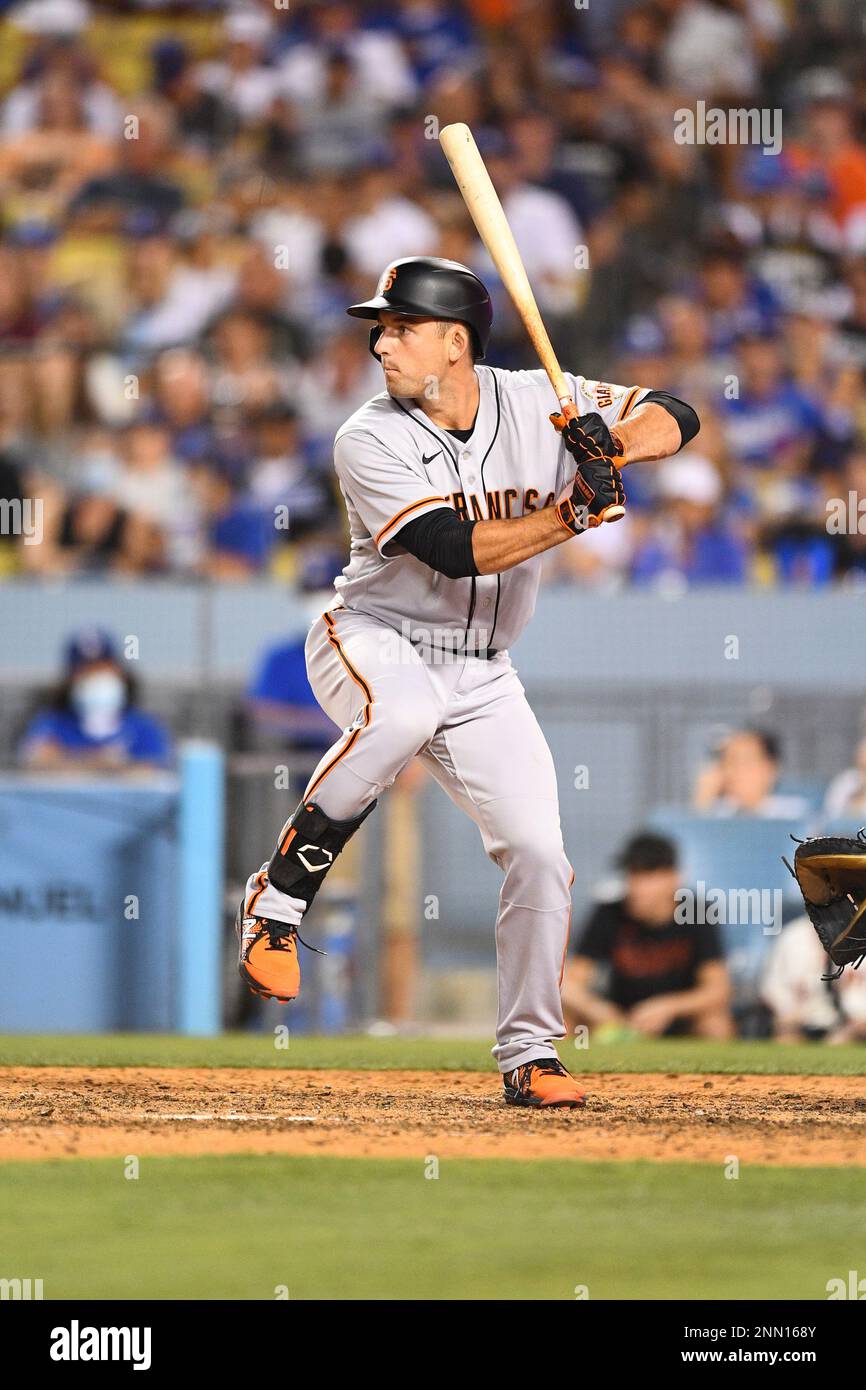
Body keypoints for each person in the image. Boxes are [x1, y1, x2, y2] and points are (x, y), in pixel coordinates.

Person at [235, 255, 700, 1108]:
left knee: (540, 856)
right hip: (373, 636)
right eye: (381, 327)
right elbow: (451, 549)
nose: (381, 342)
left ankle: (531, 1054)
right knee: (403, 710)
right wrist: (570, 513)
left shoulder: (534, 398)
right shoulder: (368, 436)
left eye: (400, 327)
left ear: (455, 342)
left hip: (485, 671)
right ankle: (280, 896)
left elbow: (680, 413)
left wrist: (614, 444)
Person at [562, 832, 734, 1040]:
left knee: (715, 1023)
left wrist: (668, 1008)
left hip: (680, 1022)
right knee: (565, 1018)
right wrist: (597, 1009)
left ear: (673, 878)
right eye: (632, 875)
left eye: (647, 876)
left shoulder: (698, 913)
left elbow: (718, 991)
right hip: (621, 1022)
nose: (637, 887)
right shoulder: (609, 914)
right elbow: (568, 985)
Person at [18, 628, 172, 772]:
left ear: (119, 671)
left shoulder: (142, 726)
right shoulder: (52, 723)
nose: (97, 678)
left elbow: (151, 772)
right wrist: (98, 763)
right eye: (87, 672)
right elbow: (34, 763)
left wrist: (72, 761)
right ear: (71, 679)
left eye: (103, 668)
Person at [692, 727, 812, 819]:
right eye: (727, 762)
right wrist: (703, 800)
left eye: (744, 761)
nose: (732, 771)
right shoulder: (716, 813)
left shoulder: (795, 814)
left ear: (771, 768)